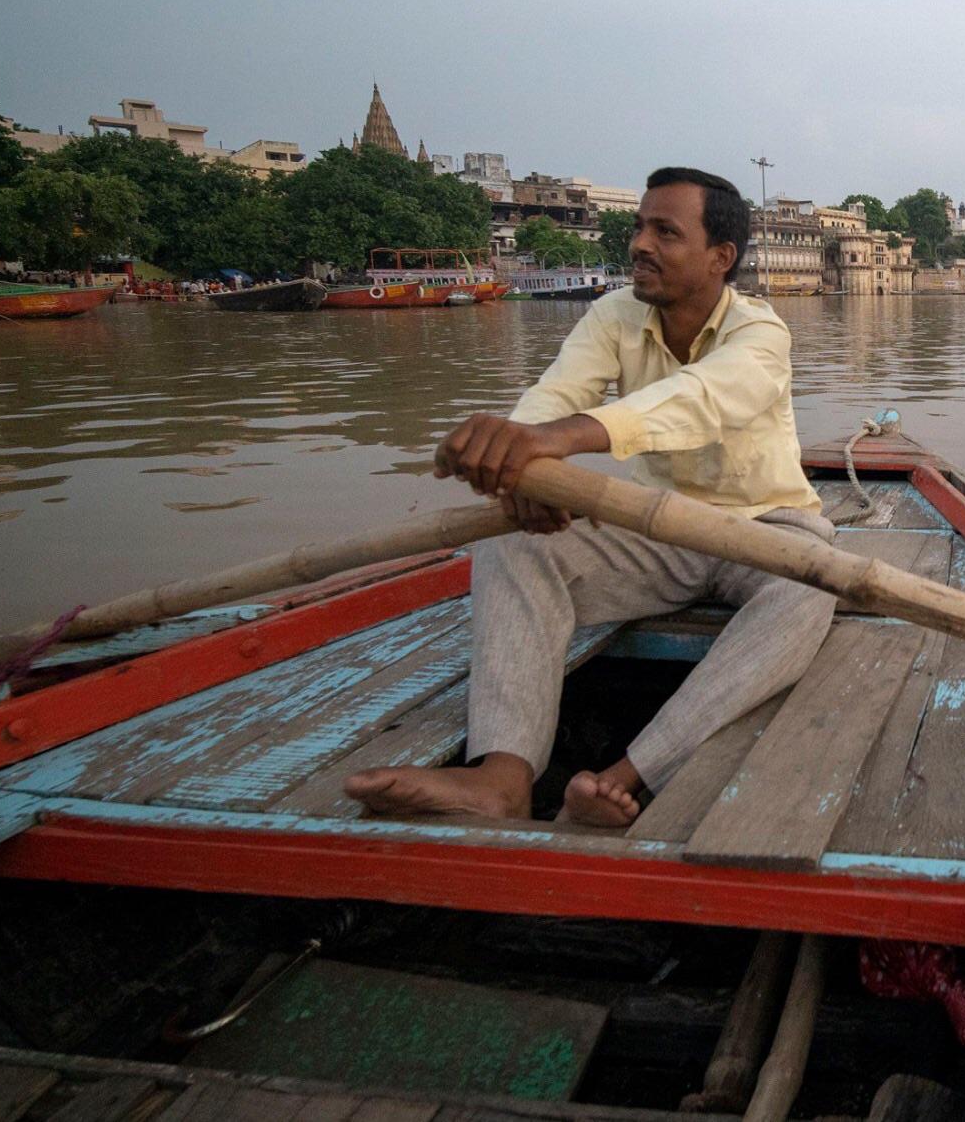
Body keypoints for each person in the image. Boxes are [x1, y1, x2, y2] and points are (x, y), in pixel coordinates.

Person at [345, 167, 836, 827]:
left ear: (720, 257)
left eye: (665, 232)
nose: (640, 244)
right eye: (639, 227)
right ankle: (501, 778)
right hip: (660, 532)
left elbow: (701, 400)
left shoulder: (761, 332)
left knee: (811, 590)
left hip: (768, 530)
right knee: (515, 544)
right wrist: (520, 462)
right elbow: (555, 395)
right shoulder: (613, 315)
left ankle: (625, 777)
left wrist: (554, 440)